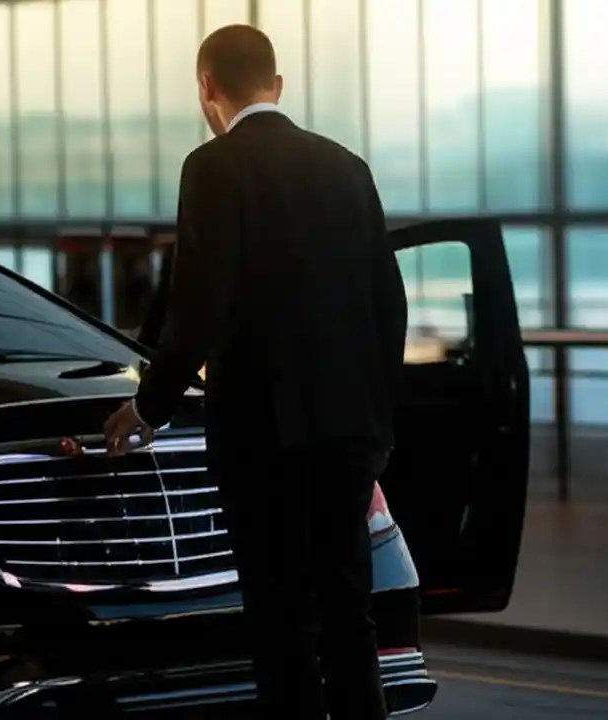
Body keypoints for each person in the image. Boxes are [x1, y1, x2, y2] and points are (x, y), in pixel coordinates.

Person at [103, 24, 407, 720]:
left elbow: (198, 307)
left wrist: (148, 408)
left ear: (206, 87)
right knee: (348, 614)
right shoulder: (346, 166)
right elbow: (388, 305)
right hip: (347, 437)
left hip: (261, 439)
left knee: (280, 621)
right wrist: (375, 422)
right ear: (279, 84)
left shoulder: (212, 168)